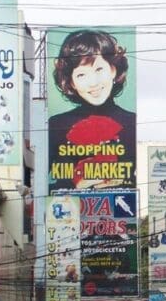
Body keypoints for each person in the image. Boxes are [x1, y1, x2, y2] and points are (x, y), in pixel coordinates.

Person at [48, 29, 136, 190]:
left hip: (121, 210)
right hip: (68, 211)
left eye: (99, 70)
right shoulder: (55, 125)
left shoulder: (133, 123)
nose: (93, 82)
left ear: (113, 70)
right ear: (71, 82)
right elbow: (45, 184)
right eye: (81, 75)